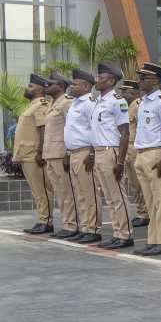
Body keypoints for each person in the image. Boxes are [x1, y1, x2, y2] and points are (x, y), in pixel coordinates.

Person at [130, 63, 161, 256]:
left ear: (156, 81)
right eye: (140, 78)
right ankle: (154, 239)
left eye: (144, 78)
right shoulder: (144, 103)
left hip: (156, 154)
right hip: (142, 154)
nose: (140, 81)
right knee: (150, 202)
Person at [91, 62, 134, 249]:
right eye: (98, 77)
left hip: (111, 151)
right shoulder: (100, 100)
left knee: (117, 195)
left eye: (101, 77)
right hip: (100, 151)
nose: (97, 80)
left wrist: (120, 161)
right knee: (109, 196)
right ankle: (117, 232)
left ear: (112, 80)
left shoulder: (118, 101)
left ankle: (125, 235)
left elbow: (125, 133)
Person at [64, 68, 101, 244]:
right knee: (80, 194)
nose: (71, 86)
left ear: (86, 86)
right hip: (74, 153)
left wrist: (92, 153)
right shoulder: (75, 103)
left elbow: (95, 128)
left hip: (86, 152)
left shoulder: (90, 103)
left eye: (75, 84)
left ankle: (93, 229)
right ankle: (85, 226)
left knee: (90, 192)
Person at [16, 74, 52, 235]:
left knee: (42, 190)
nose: (27, 87)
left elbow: (43, 129)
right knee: (37, 191)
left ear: (40, 89)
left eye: (31, 86)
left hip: (34, 154)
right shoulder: (32, 105)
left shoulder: (41, 104)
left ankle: (46, 221)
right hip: (27, 153)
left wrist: (40, 152)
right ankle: (42, 219)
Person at [41, 74, 76, 239]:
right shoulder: (52, 104)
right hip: (50, 154)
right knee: (60, 192)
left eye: (51, 83)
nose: (46, 85)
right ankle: (66, 223)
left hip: (61, 153)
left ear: (61, 86)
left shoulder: (67, 102)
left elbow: (71, 128)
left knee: (66, 191)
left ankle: (71, 226)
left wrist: (67, 153)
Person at [122, 79, 147, 227]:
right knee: (134, 183)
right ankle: (141, 211)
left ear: (136, 93)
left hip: (137, 147)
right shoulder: (127, 107)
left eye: (127, 92)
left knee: (140, 182)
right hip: (129, 147)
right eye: (123, 92)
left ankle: (145, 213)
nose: (124, 94)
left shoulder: (138, 106)